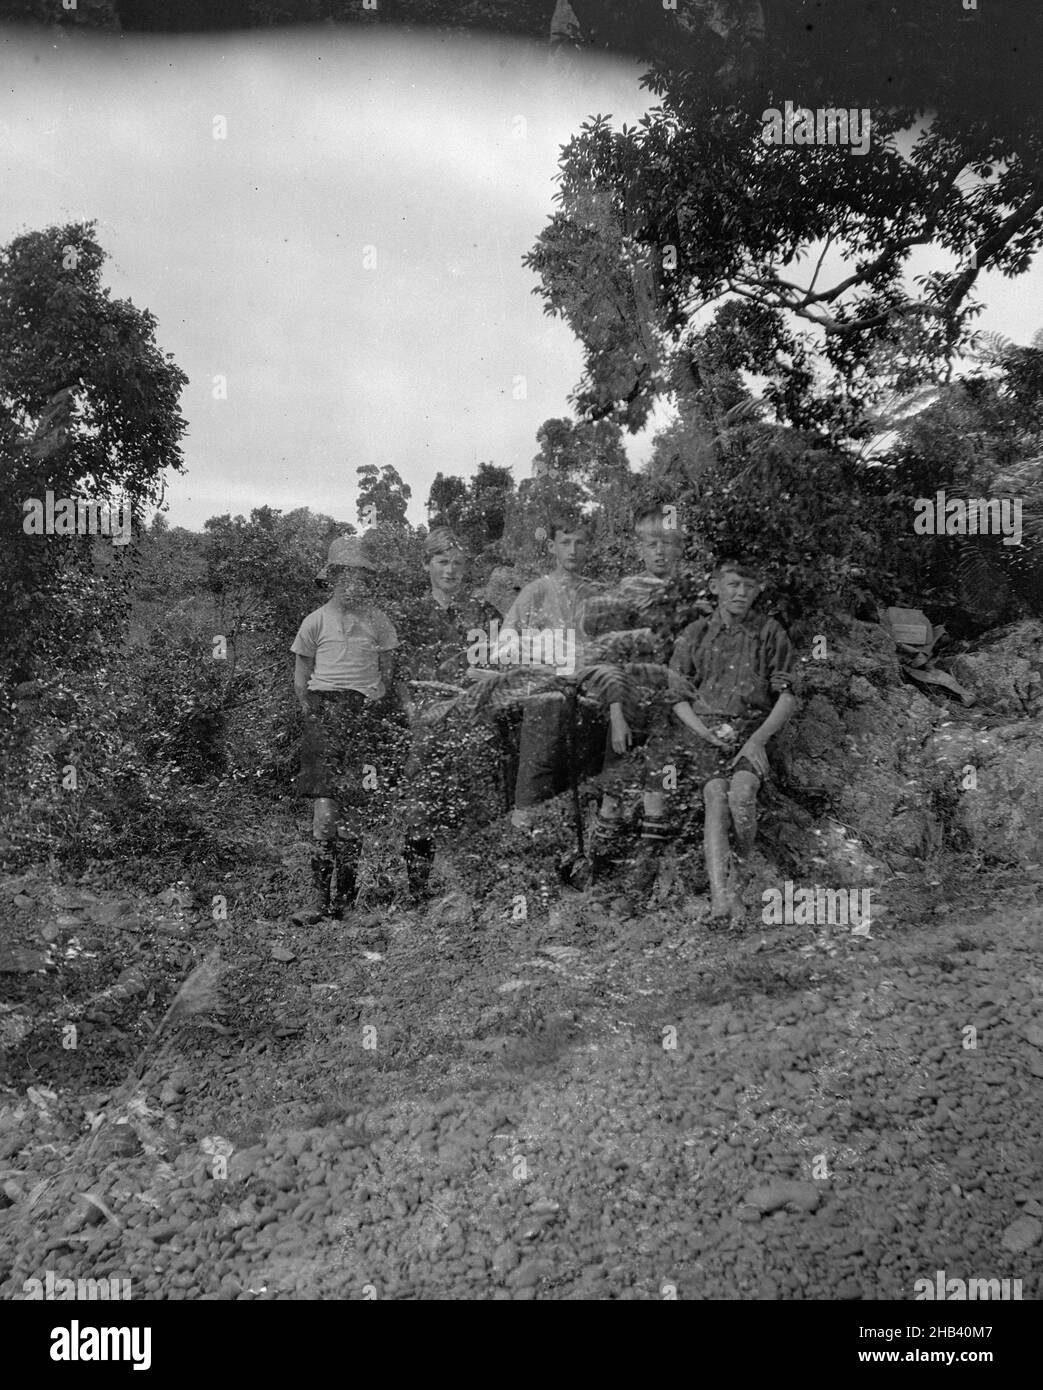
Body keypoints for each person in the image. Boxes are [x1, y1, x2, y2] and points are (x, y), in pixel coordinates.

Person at [584, 506, 717, 900]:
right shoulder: (625, 594)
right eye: (651, 544)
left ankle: (637, 892)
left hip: (672, 709)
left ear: (681, 548)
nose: (660, 552)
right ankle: (597, 883)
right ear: (639, 549)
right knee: (614, 795)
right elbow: (610, 659)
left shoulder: (693, 595)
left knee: (656, 794)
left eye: (669, 544)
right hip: (630, 703)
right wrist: (617, 713)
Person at [670, 556, 798, 923]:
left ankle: (739, 879)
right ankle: (719, 898)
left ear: (758, 591)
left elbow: (787, 695)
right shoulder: (695, 633)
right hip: (706, 731)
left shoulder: (770, 631)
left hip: (751, 729)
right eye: (733, 585)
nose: (740, 592)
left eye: (748, 586)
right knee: (714, 794)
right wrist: (703, 733)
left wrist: (757, 741)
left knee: (741, 793)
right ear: (715, 588)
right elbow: (677, 697)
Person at [291, 535, 410, 919]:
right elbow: (301, 679)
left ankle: (344, 901)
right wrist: (316, 715)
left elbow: (388, 673)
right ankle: (317, 901)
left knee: (355, 812)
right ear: (332, 579)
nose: (351, 584)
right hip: (327, 716)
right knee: (325, 812)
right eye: (343, 577)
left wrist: (372, 700)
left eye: (358, 577)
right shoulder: (315, 621)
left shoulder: (378, 620)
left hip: (364, 718)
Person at [398, 527, 496, 902]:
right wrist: (411, 711)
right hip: (427, 720)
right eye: (442, 562)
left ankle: (475, 892)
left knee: (474, 803)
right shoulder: (409, 614)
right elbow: (396, 672)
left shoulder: (485, 614)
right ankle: (419, 894)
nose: (451, 571)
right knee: (420, 805)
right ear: (427, 565)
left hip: (471, 720)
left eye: (457, 563)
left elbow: (504, 660)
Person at [496, 515, 605, 829]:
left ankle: (576, 849)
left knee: (583, 773)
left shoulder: (597, 595)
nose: (572, 550)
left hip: (586, 695)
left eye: (580, 542)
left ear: (590, 547)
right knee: (537, 767)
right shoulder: (536, 592)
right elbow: (506, 643)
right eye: (565, 542)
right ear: (552, 546)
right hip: (545, 694)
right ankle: (523, 848)